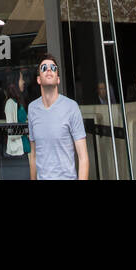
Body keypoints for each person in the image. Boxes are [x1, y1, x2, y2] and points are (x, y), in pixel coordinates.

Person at [28, 53, 88, 181]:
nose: (49, 70)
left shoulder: (71, 107)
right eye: (44, 68)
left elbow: (83, 157)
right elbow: (33, 155)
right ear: (38, 79)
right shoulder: (32, 109)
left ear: (58, 79)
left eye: (53, 68)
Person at [4, 75, 29, 159]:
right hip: (17, 150)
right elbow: (11, 130)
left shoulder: (19, 102)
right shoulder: (10, 103)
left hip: (25, 146)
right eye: (21, 79)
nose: (23, 82)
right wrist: (25, 130)